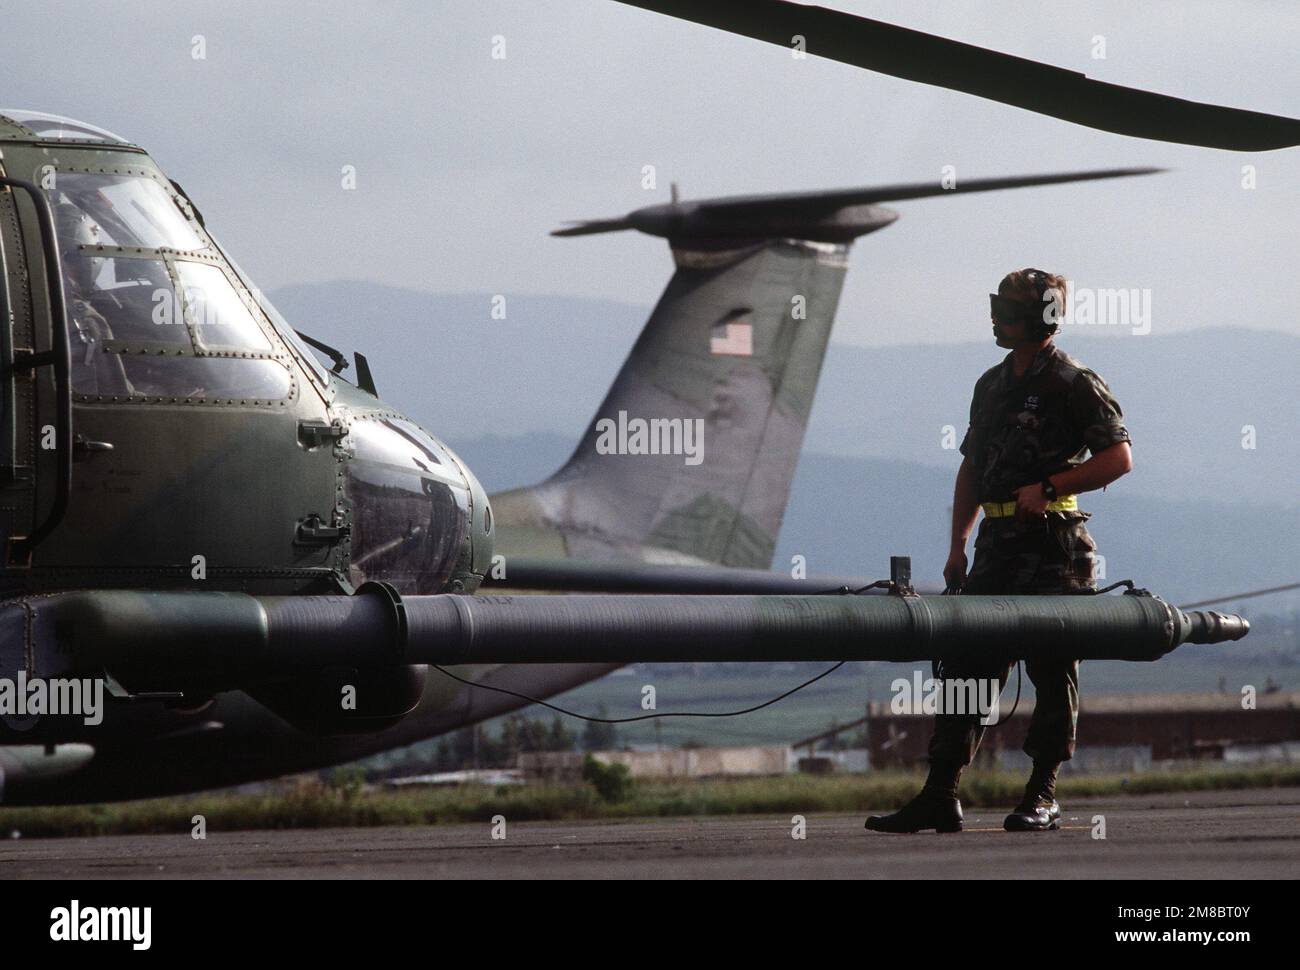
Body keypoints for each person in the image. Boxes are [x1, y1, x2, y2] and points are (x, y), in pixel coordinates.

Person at [866, 268, 1133, 834]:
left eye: (1008, 309)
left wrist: (1054, 486)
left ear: (1045, 317)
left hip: (1054, 550)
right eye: (996, 305)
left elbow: (1118, 459)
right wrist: (958, 542)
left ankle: (1043, 794)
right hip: (996, 547)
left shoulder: (1073, 381)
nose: (996, 317)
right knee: (967, 667)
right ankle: (940, 793)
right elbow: (971, 466)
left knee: (1052, 668)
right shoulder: (991, 385)